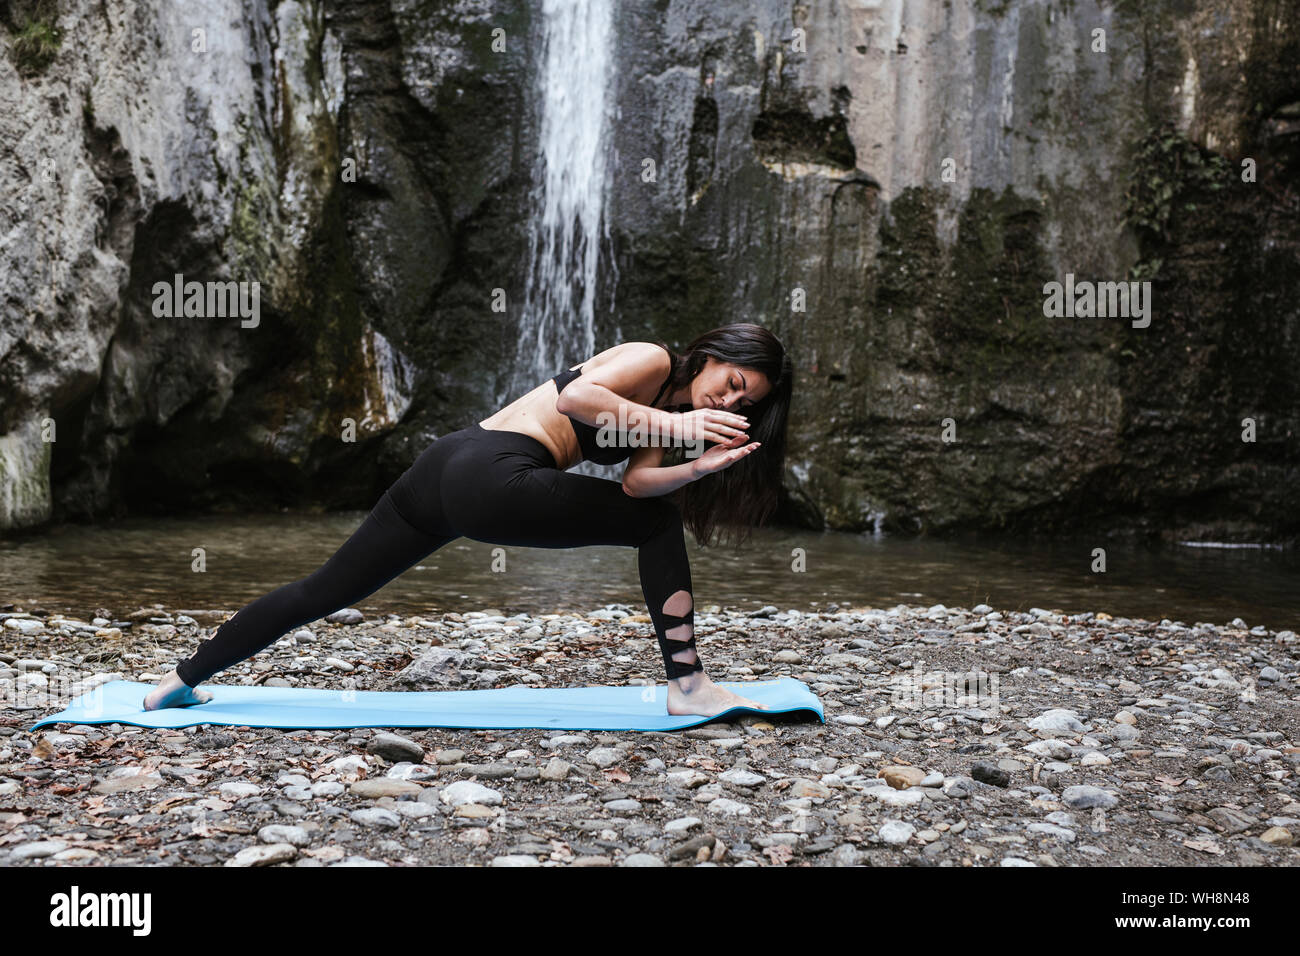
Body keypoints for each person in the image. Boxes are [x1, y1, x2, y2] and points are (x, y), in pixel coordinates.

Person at [144, 323, 794, 718]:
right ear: (709, 355)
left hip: (450, 467)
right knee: (656, 527)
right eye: (733, 379)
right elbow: (575, 396)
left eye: (747, 400)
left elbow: (636, 483)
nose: (731, 397)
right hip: (490, 468)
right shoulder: (652, 360)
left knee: (325, 590)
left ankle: (176, 684)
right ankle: (689, 685)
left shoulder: (668, 416)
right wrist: (680, 425)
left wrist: (696, 466)